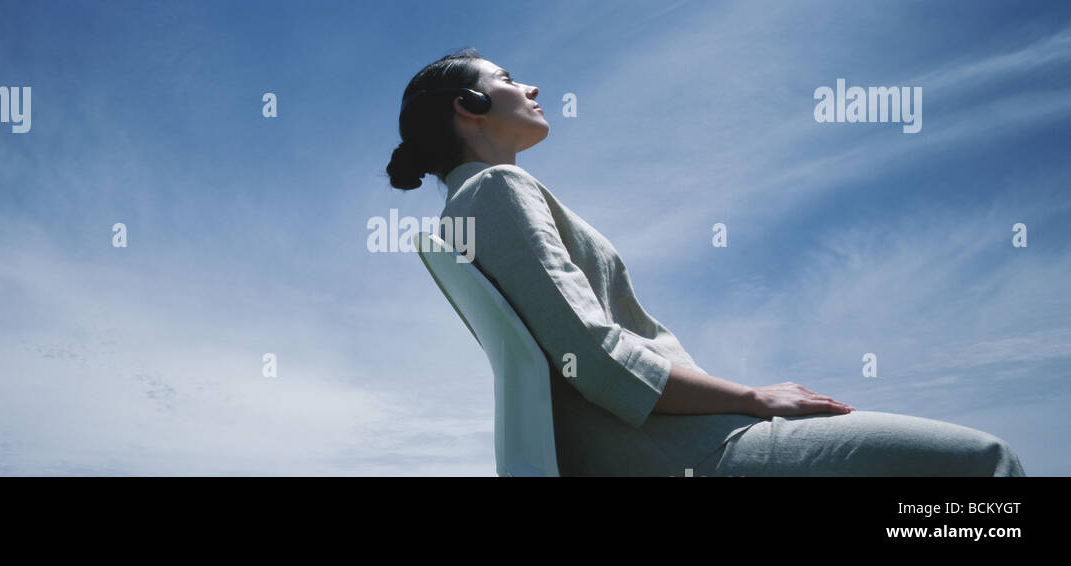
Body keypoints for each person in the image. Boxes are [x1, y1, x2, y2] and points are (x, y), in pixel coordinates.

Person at [385, 48, 1026, 476]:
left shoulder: (470, 208)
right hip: (679, 450)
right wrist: (754, 397)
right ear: (467, 106)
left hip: (651, 445)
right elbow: (598, 353)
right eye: (505, 80)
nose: (529, 86)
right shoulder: (497, 192)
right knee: (982, 463)